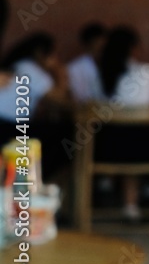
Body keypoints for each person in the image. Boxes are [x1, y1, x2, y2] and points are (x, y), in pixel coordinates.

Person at [95, 25, 149, 220]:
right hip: (145, 149)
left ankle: (107, 185)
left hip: (104, 149)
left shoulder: (100, 75)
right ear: (135, 48)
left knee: (117, 134)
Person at [0, 32, 72, 179]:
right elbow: (61, 102)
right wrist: (58, 71)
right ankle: (41, 178)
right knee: (68, 134)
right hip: (9, 128)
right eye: (53, 54)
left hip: (8, 127)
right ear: (41, 53)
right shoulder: (31, 70)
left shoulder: (18, 65)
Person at [66, 21, 107, 103]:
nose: (101, 49)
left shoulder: (113, 65)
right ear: (87, 44)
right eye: (97, 44)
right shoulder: (74, 68)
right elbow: (78, 97)